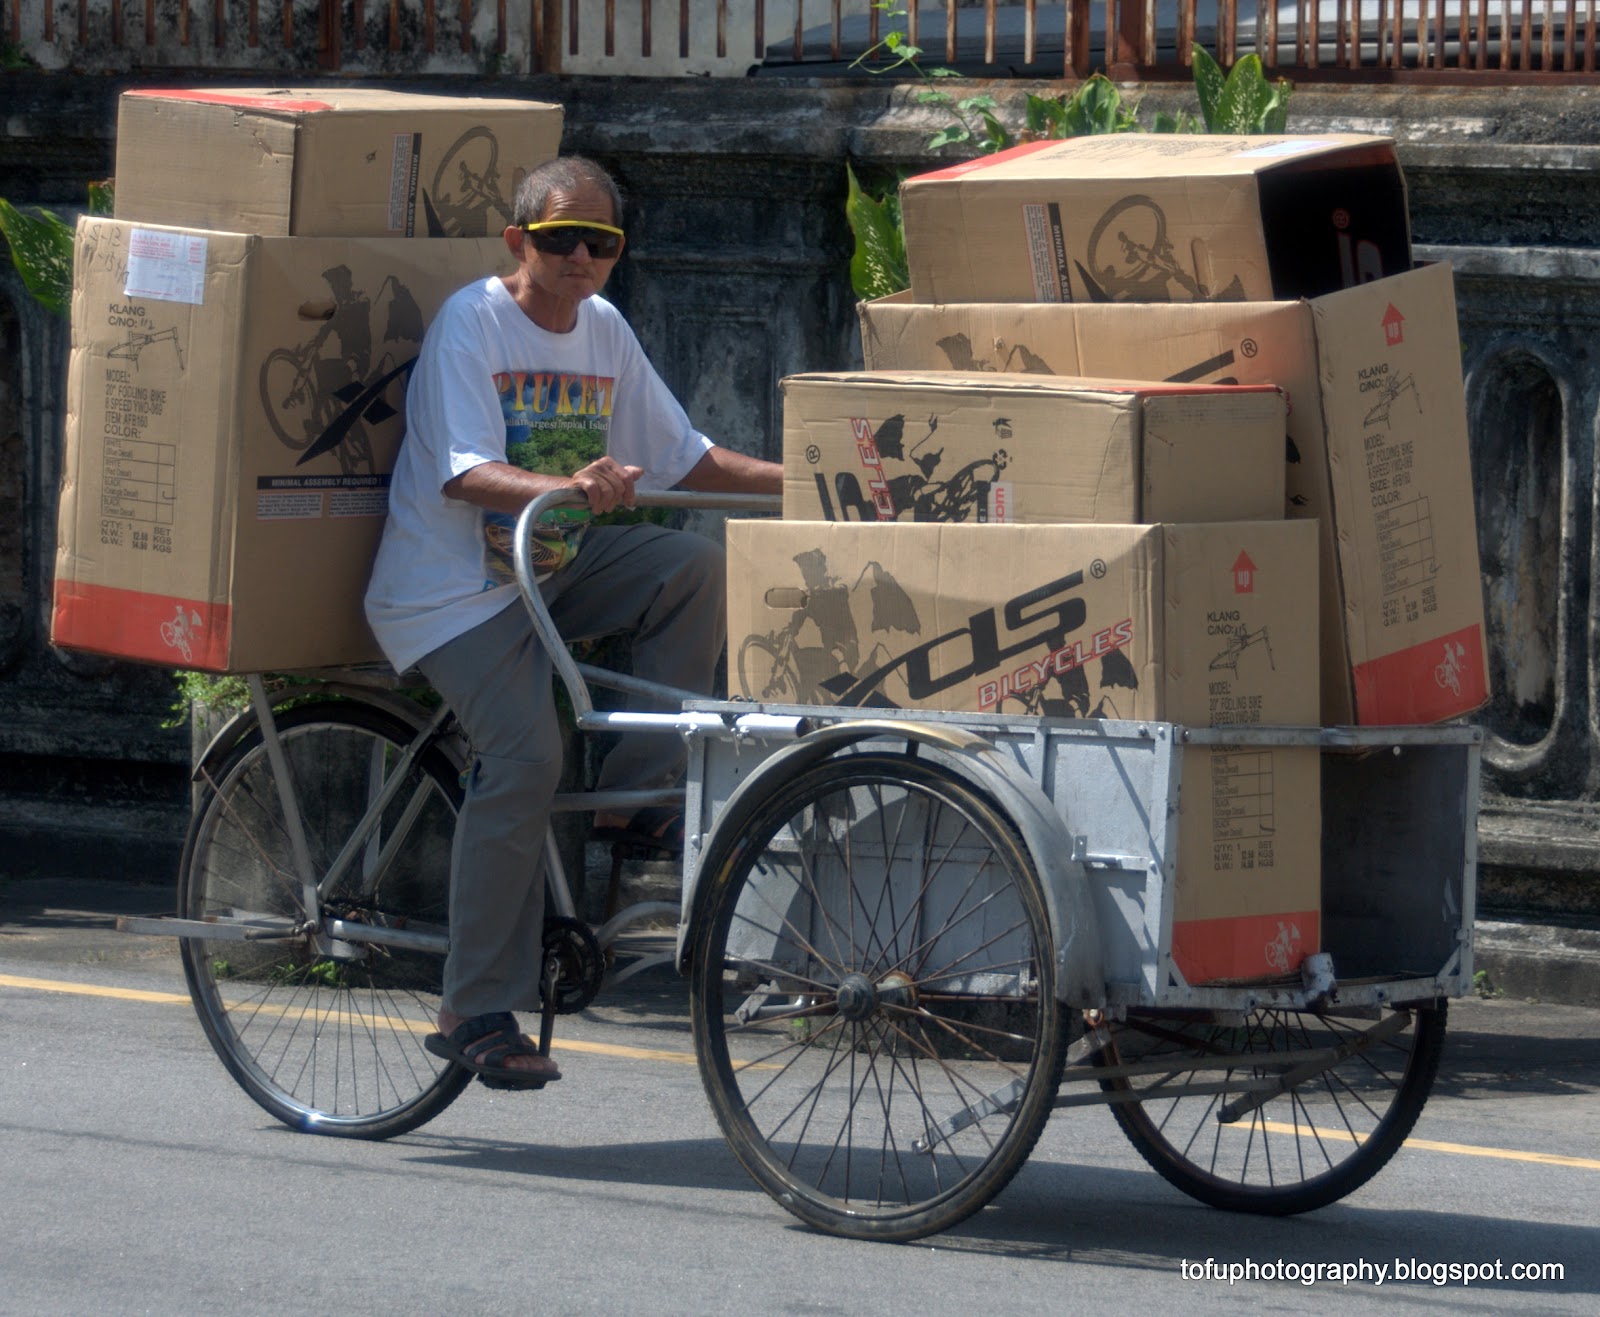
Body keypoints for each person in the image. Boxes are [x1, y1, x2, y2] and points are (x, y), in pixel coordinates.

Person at [364, 156, 780, 1089]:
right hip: (452, 590)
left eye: (602, 243)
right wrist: (571, 485)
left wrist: (817, 482)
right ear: (519, 243)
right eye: (561, 242)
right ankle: (470, 1005)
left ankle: (633, 809)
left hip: (548, 568)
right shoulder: (472, 323)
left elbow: (687, 457)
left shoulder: (602, 328)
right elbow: (465, 472)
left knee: (693, 570)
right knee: (526, 756)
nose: (582, 258)